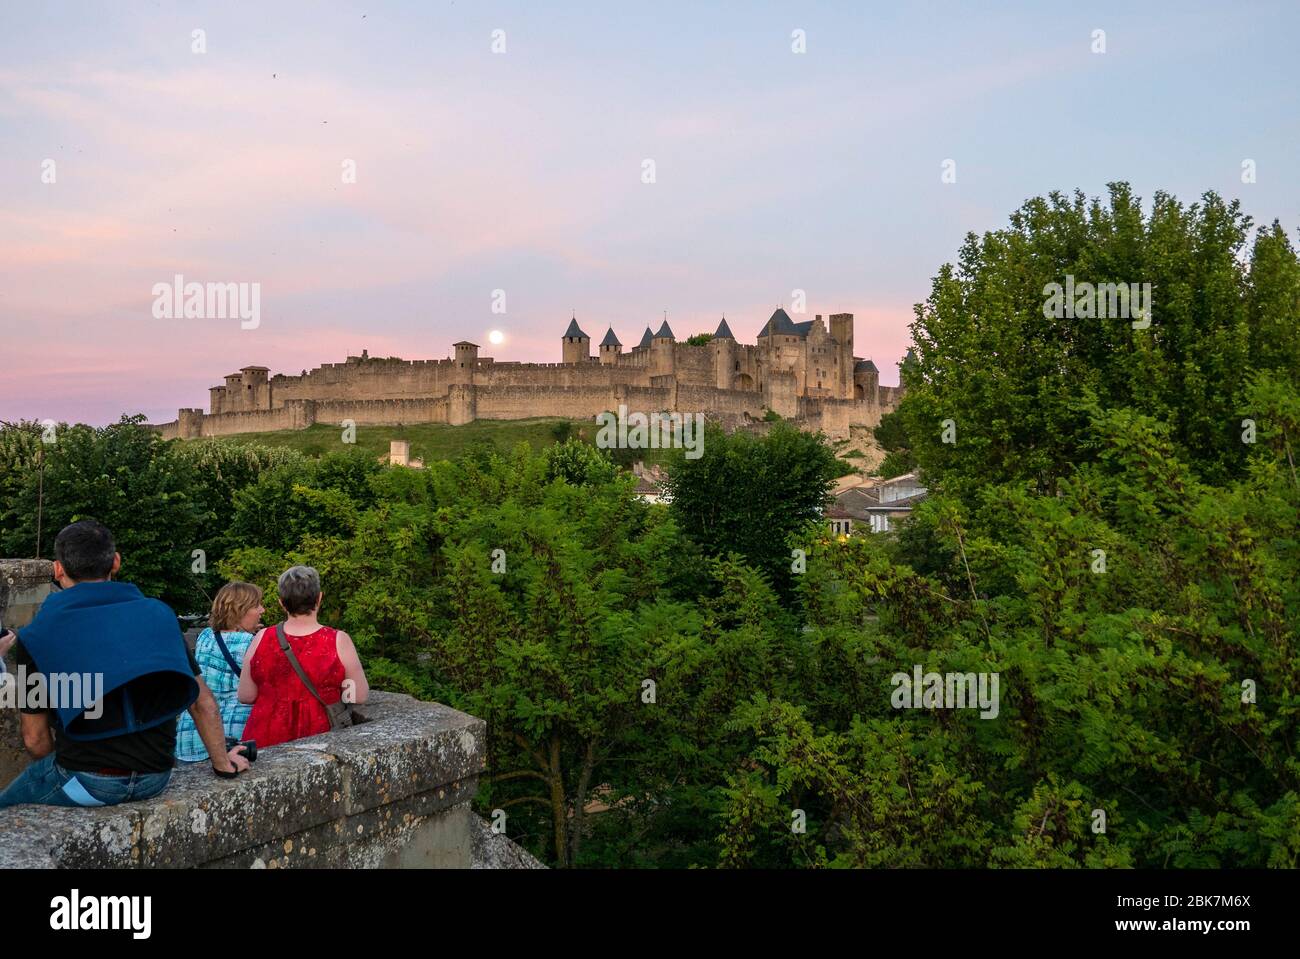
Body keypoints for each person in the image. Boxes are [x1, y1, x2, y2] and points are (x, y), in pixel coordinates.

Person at [0, 521, 249, 810]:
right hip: (157, 776)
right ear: (115, 562)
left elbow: (35, 739)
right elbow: (202, 702)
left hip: (86, 779)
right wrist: (222, 764)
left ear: (58, 569)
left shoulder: (35, 636)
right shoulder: (160, 614)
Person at [239, 565, 368, 748]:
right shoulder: (338, 640)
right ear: (319, 598)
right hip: (320, 735)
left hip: (266, 736)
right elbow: (358, 695)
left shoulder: (262, 637)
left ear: (282, 603)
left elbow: (246, 695)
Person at [175, 582, 264, 763]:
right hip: (230, 739)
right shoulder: (253, 643)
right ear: (240, 610)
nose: (262, 610)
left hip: (190, 737)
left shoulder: (205, 636)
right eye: (257, 605)